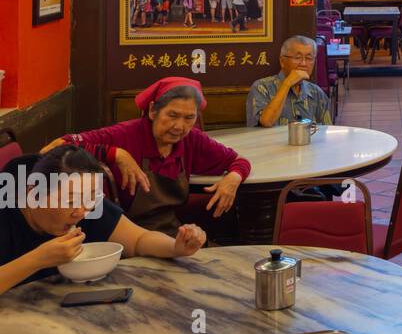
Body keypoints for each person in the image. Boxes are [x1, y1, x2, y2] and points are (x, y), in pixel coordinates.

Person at [45, 77, 251, 235]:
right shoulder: (126, 134)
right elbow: (58, 146)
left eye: (189, 118)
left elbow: (239, 161)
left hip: (172, 232)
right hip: (120, 235)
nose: (180, 126)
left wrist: (233, 178)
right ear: (153, 110)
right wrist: (116, 153)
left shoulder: (192, 139)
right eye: (172, 115)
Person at [0, 145, 206, 297]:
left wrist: (176, 246)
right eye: (69, 200)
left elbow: (138, 239)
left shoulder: (88, 206)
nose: (80, 212)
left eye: (90, 198)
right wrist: (38, 259)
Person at [246, 36, 334, 127]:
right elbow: (266, 122)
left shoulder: (316, 93)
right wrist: (287, 84)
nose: (303, 63)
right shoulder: (262, 87)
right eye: (298, 57)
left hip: (307, 141)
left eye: (309, 58)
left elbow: (327, 130)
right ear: (282, 62)